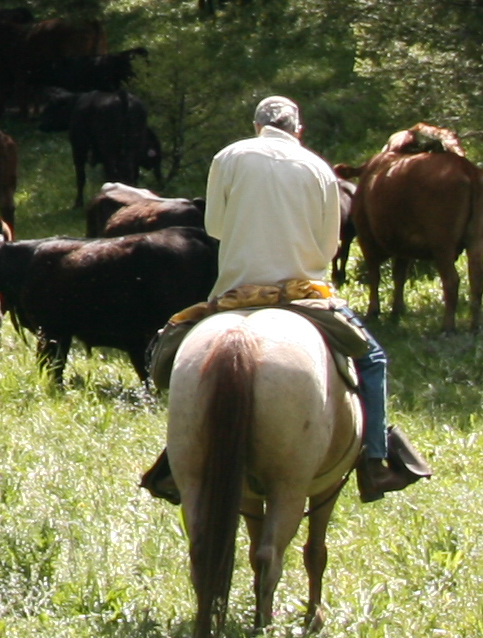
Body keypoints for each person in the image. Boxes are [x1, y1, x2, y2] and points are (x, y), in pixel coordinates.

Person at [139, 95, 427, 506]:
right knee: (373, 359)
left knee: (179, 358)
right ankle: (376, 458)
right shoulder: (318, 168)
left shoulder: (228, 156)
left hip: (235, 293)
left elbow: (215, 227)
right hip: (302, 294)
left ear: (257, 126)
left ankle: (178, 458)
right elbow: (330, 247)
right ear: (298, 130)